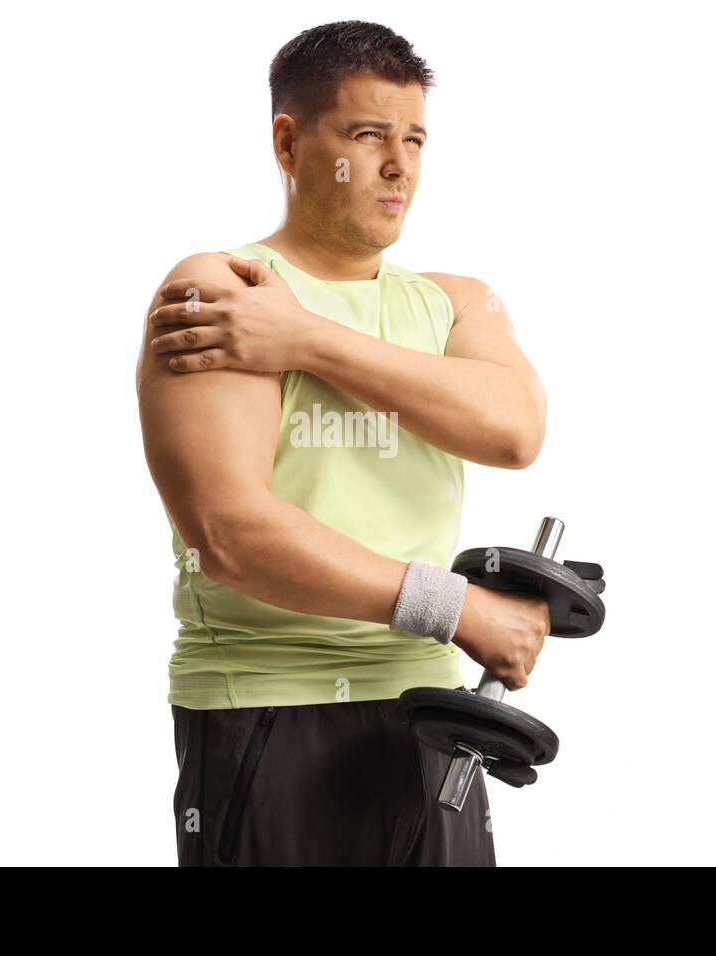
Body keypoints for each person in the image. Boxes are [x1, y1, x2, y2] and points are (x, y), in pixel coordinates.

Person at [136, 20, 550, 866]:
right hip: (268, 709)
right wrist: (459, 607)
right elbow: (231, 537)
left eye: (415, 139)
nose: (399, 166)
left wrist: (308, 342)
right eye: (367, 136)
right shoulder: (221, 291)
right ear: (289, 142)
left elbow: (514, 430)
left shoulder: (455, 303)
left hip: (432, 718)